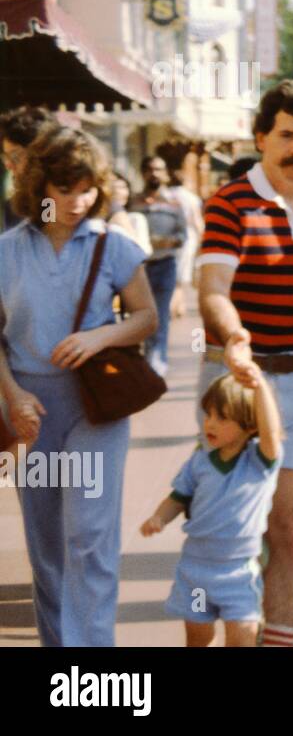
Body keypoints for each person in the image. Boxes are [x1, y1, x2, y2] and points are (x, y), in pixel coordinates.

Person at [0, 127, 158, 646]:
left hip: (96, 407)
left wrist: (98, 337)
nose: (77, 201)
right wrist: (13, 396)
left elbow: (145, 318)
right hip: (29, 408)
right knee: (46, 545)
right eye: (66, 189)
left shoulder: (114, 245)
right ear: (40, 187)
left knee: (90, 537)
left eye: (88, 189)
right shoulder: (7, 251)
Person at [196, 80, 293, 648]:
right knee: (230, 528)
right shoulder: (230, 204)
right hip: (237, 380)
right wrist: (233, 336)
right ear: (261, 138)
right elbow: (213, 288)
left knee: (290, 527)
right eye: (286, 135)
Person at [141, 370, 282, 646]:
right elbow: (177, 498)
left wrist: (258, 384)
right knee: (197, 638)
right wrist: (159, 517)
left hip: (239, 573)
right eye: (208, 415)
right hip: (196, 570)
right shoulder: (199, 462)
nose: (210, 424)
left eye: (222, 417)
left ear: (249, 425)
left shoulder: (259, 464)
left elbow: (272, 432)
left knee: (243, 635)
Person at [130, 155, 190, 376]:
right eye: (150, 169)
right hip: (139, 267)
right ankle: (144, 357)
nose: (154, 173)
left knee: (161, 314)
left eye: (159, 169)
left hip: (165, 264)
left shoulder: (174, 203)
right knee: (140, 314)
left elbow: (183, 235)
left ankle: (158, 358)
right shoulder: (133, 201)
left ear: (165, 173)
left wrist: (164, 241)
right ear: (144, 172)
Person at [0, 105, 55, 232]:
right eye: (5, 157)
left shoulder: (52, 201)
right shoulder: (15, 206)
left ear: (41, 152)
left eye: (15, 156)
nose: (8, 165)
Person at [169, 166, 204, 319]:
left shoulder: (166, 195)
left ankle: (178, 304)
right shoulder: (191, 197)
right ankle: (175, 306)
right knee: (181, 275)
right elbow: (197, 221)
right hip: (188, 238)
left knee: (173, 272)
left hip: (168, 238)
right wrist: (204, 238)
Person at [107, 171, 152, 256]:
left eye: (123, 187)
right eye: (114, 187)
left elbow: (143, 250)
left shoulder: (134, 218)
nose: (119, 192)